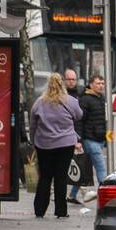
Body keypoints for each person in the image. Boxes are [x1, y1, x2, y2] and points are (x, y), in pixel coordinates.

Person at [29, 73, 82, 219]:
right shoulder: (70, 101)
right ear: (62, 84)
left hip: (44, 144)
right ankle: (61, 211)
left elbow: (33, 124)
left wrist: (33, 140)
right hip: (65, 144)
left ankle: (39, 210)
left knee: (45, 177)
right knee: (61, 177)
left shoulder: (39, 102)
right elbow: (79, 115)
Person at [70, 75, 108, 204]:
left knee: (84, 168)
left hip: (99, 138)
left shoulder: (102, 98)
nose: (101, 85)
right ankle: (105, 195)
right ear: (91, 85)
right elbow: (79, 121)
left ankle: (72, 195)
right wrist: (78, 140)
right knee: (101, 168)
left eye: (103, 83)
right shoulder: (85, 99)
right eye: (98, 83)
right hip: (90, 139)